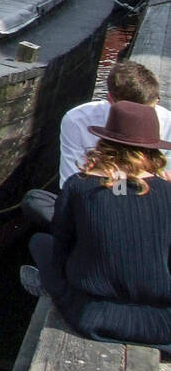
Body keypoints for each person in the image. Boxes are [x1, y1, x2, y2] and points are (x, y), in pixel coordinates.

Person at [22, 101, 171, 352]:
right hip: (162, 324)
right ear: (151, 151)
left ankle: (46, 286)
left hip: (94, 316)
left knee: (39, 242)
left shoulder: (78, 186)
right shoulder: (167, 192)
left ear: (106, 142)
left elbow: (62, 248)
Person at [22, 61, 171, 228]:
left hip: (143, 202)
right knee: (36, 201)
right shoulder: (77, 120)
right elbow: (70, 184)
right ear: (110, 100)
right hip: (98, 200)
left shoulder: (166, 121)